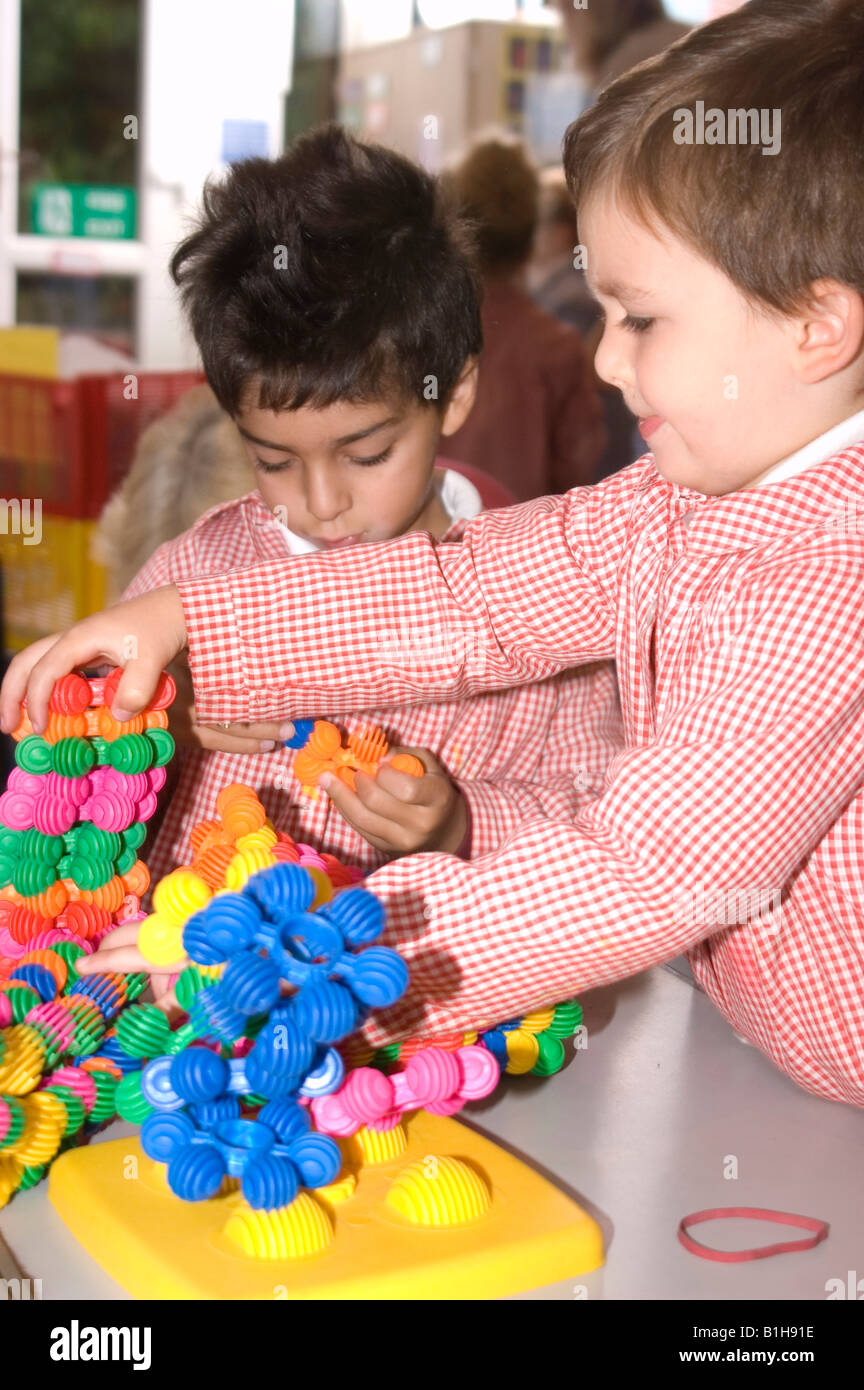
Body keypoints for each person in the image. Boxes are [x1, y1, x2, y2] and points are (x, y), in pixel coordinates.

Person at [6, 0, 863, 1106]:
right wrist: (190, 628)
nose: (605, 361)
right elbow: (473, 592)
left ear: (817, 324)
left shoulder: (831, 575)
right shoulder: (680, 498)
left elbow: (649, 869)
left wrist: (299, 972)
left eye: (641, 320)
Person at [69, 126, 626, 890]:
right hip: (185, 999)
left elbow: (600, 819)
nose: (323, 504)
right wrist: (156, 725)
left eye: (366, 456)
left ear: (453, 393)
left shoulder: (541, 606)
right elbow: (71, 791)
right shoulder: (192, 574)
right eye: (273, 460)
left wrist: (463, 821)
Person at [441, 135, 606, 499]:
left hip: (420, 549)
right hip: (521, 547)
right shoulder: (557, 348)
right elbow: (577, 469)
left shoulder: (419, 338)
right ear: (530, 238)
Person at [529, 171, 638, 479]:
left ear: (562, 232)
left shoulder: (574, 295)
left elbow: (581, 373)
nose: (533, 234)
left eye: (541, 225)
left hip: (601, 433)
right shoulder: (564, 285)